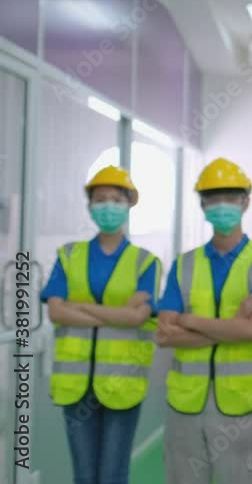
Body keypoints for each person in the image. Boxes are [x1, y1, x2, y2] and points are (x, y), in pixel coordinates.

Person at [156, 158, 252, 484]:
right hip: (184, 401)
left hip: (238, 402)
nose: (222, 205)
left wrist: (190, 320)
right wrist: (232, 327)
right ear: (203, 204)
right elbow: (165, 335)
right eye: (214, 198)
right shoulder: (184, 265)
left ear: (246, 202)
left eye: (230, 196)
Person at [40, 165, 161, 484]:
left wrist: (77, 305)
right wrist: (116, 311)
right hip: (75, 385)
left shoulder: (146, 262)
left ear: (128, 204)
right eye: (100, 199)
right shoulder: (68, 255)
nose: (107, 206)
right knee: (84, 475)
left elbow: (138, 318)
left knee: (112, 475)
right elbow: (56, 312)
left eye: (115, 199)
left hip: (122, 383)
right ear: (90, 206)